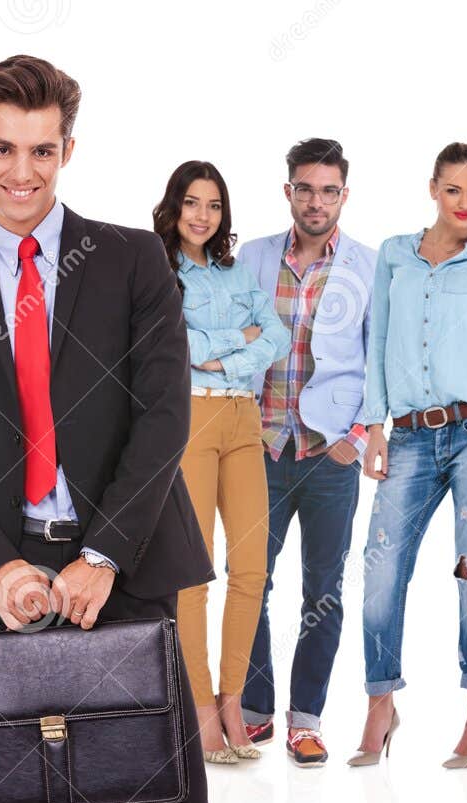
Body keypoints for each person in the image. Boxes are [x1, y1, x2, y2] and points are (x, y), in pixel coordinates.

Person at [0, 55, 213, 803]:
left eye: (42, 150)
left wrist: (104, 552)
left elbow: (165, 417)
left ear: (67, 151)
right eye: (4, 149)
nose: (22, 172)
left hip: (129, 555)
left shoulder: (133, 259)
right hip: (12, 570)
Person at [352, 142, 467, 770]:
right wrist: (372, 422)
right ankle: (381, 702)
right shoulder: (395, 255)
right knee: (381, 569)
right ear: (433, 188)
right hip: (407, 433)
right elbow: (375, 342)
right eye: (454, 190)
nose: (465, 204)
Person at [237, 137, 376, 767]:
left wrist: (357, 439)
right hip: (260, 447)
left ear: (343, 195)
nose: (315, 201)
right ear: (288, 191)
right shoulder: (254, 257)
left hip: (328, 455)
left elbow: (382, 360)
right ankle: (257, 709)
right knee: (250, 583)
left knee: (323, 589)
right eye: (304, 188)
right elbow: (234, 340)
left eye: (328, 190)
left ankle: (307, 719)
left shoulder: (370, 266)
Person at [154, 160, 290, 765]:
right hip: (189, 421)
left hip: (243, 419)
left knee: (252, 567)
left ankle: (233, 699)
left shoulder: (237, 274)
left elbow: (278, 338)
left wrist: (219, 356)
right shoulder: (158, 273)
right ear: (174, 207)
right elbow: (169, 346)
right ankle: (200, 711)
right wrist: (239, 342)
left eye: (212, 205)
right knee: (192, 572)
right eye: (192, 203)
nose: (202, 215)